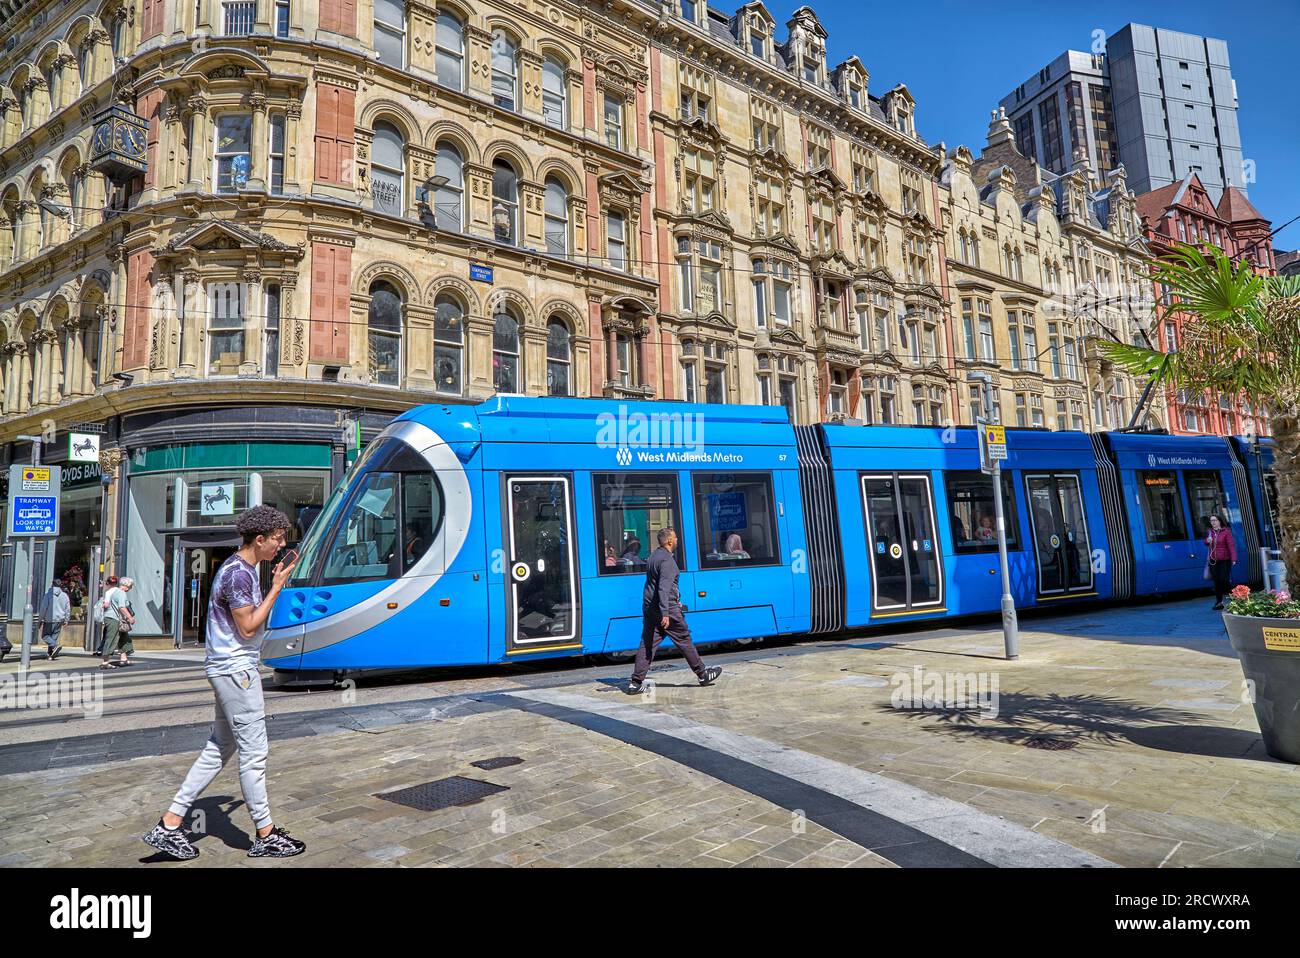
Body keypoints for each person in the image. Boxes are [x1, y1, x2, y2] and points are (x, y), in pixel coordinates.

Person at [142, 505, 305, 861]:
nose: (281, 545)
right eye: (277, 539)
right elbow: (247, 627)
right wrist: (276, 587)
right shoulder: (238, 575)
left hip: (230, 668)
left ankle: (169, 825)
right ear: (259, 539)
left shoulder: (240, 570)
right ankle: (266, 833)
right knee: (254, 754)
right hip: (236, 672)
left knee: (220, 747)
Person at [627, 527, 721, 694]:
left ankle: (635, 683)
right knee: (684, 639)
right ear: (669, 541)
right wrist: (665, 613)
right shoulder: (667, 561)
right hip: (667, 609)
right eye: (676, 538)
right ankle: (702, 674)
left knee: (647, 644)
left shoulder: (653, 557)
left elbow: (651, 586)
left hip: (650, 607)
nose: (677, 540)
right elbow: (664, 589)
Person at [99, 578, 137, 669]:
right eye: (130, 586)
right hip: (113, 619)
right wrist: (130, 618)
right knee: (111, 638)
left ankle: (123, 659)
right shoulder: (121, 593)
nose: (130, 588)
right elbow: (122, 607)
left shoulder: (115, 592)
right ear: (127, 586)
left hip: (114, 618)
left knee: (123, 638)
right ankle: (105, 662)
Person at [1206, 512, 1238, 610]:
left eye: (1215, 520)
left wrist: (1234, 558)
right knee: (1216, 581)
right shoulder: (1210, 532)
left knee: (1224, 580)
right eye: (1211, 521)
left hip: (1225, 559)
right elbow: (1206, 542)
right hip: (1213, 560)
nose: (1213, 522)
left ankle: (1235, 598)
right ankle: (1219, 602)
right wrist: (1208, 541)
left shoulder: (1226, 531)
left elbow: (1231, 545)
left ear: (1219, 521)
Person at [38, 578, 70, 661]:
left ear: (52, 584)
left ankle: (55, 646)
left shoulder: (48, 595)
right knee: (53, 637)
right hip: (60, 620)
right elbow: (67, 609)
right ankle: (50, 655)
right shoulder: (65, 595)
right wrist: (66, 619)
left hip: (49, 619)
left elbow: (43, 608)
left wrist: (40, 620)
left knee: (45, 636)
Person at [94, 575, 119, 656]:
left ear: (108, 583)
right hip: (118, 616)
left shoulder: (108, 592)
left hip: (110, 616)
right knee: (113, 634)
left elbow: (106, 605)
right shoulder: (119, 592)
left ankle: (104, 652)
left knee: (107, 634)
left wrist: (102, 605)